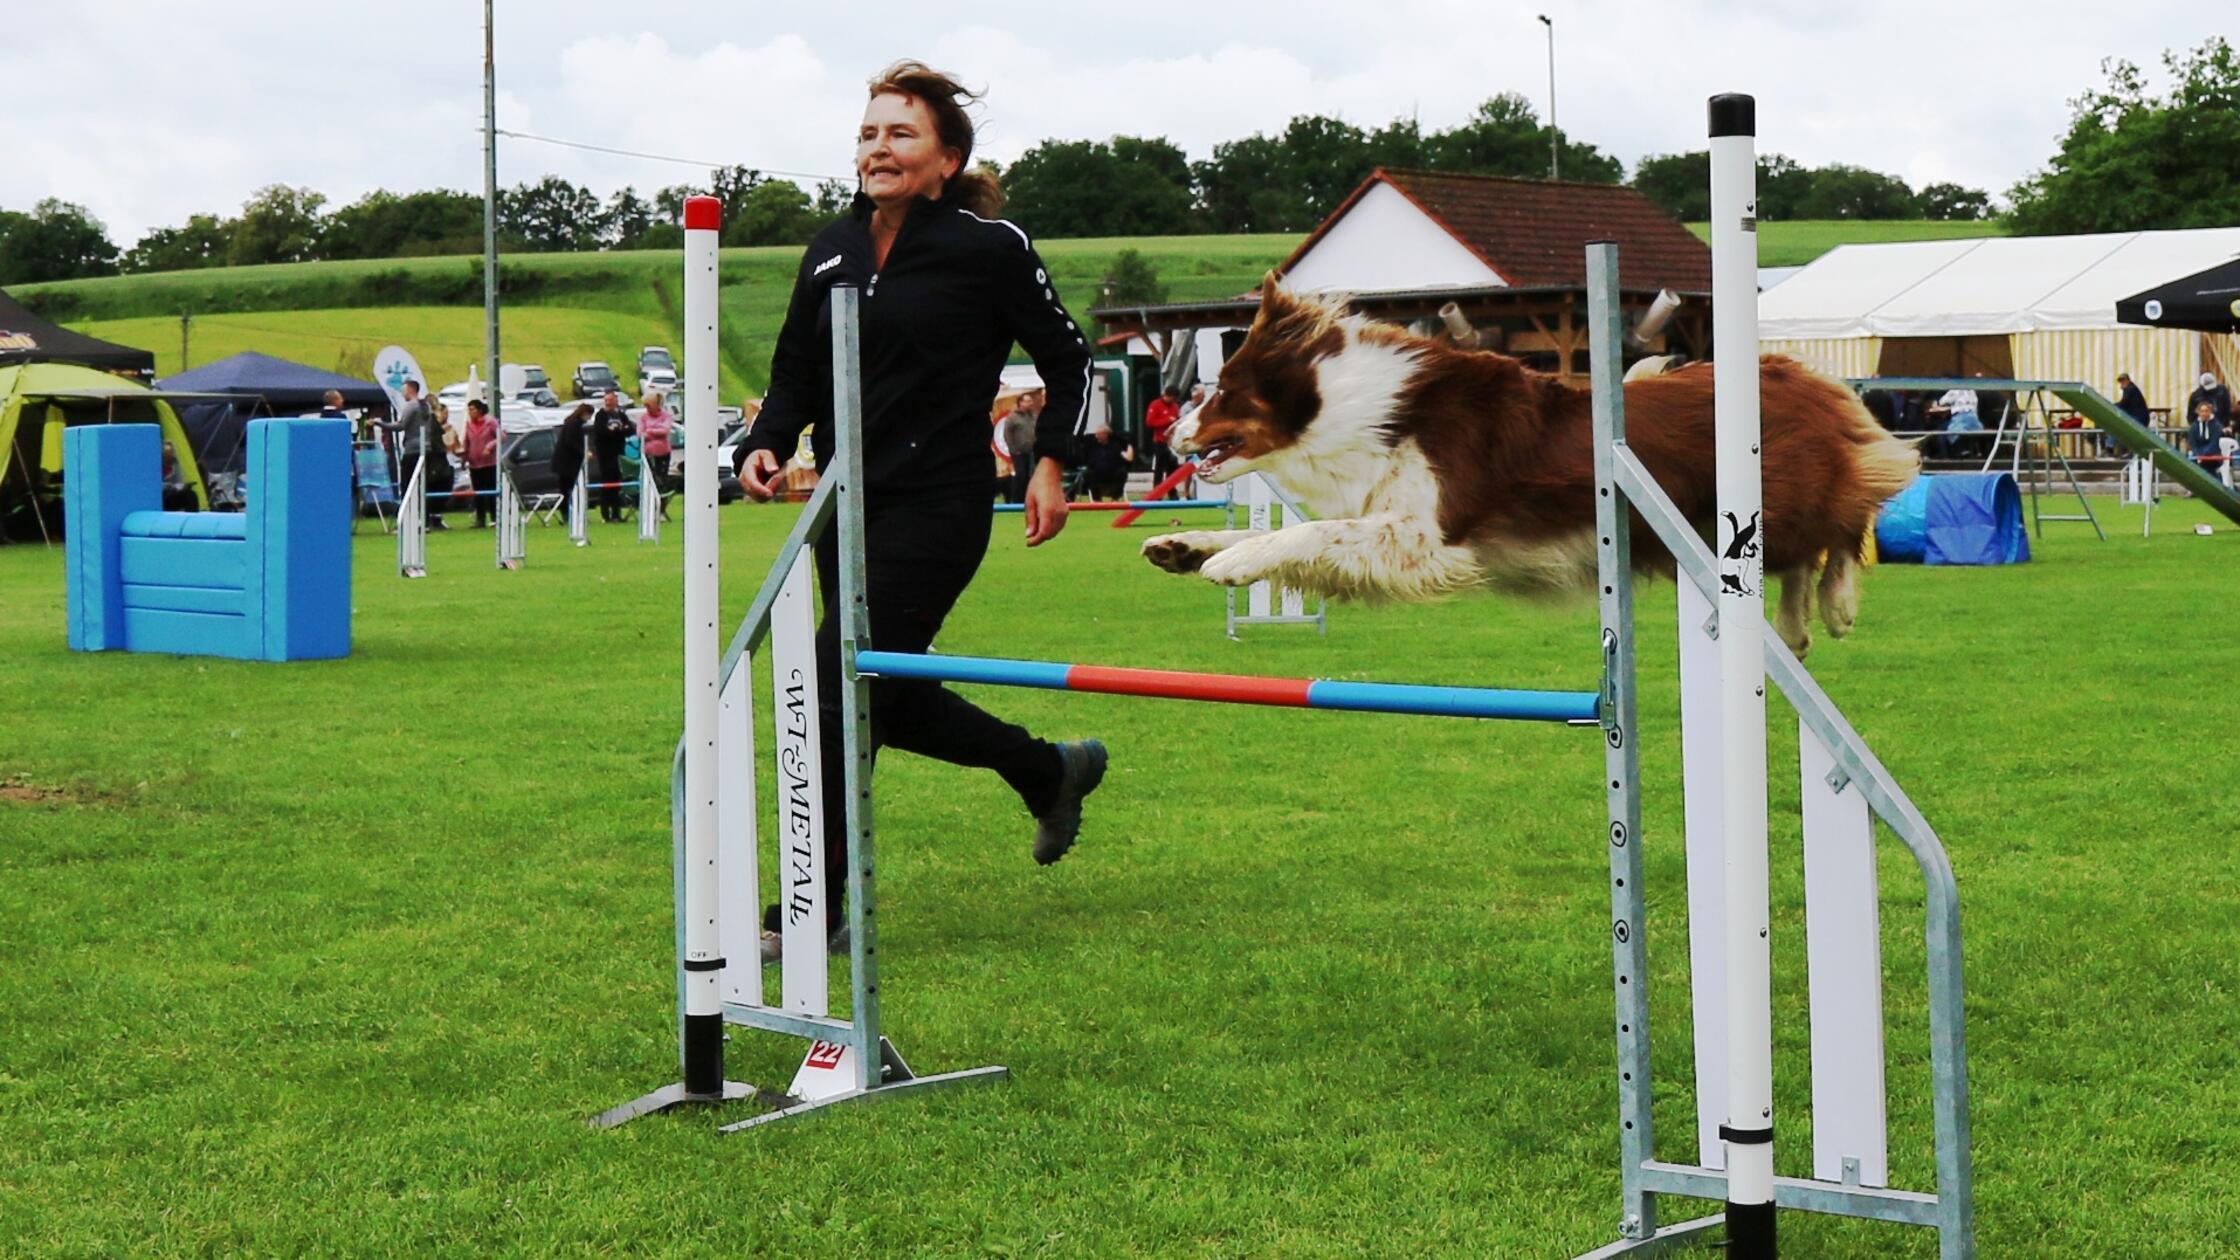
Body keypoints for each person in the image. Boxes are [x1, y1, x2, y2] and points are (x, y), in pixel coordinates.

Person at [730, 59, 1105, 961]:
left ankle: (813, 906)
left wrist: (1051, 461)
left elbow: (1070, 361)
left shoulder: (990, 247)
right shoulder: (828, 249)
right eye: (868, 133)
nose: (878, 148)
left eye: (901, 133)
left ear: (947, 159)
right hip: (841, 505)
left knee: (831, 684)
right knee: (875, 693)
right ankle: (1047, 768)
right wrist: (762, 444)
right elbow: (792, 374)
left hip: (938, 505)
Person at [591, 390, 634, 522]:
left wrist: (617, 431)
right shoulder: (601, 415)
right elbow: (601, 432)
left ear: (616, 401)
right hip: (605, 455)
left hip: (619, 454)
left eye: (611, 400)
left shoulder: (620, 414)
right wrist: (618, 431)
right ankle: (606, 514)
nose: (608, 403)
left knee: (617, 485)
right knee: (607, 484)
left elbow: (630, 429)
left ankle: (616, 514)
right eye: (606, 400)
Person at [637, 391, 675, 519]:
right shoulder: (643, 417)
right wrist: (655, 433)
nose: (647, 408)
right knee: (650, 480)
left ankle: (661, 510)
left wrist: (650, 431)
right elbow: (640, 433)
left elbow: (665, 430)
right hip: (648, 454)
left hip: (663, 453)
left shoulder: (666, 416)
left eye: (649, 405)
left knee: (662, 481)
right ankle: (649, 509)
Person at [462, 398, 500, 527]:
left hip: (489, 464)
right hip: (474, 464)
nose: (470, 412)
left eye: (472, 409)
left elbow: (502, 436)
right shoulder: (469, 425)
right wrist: (464, 458)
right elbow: (467, 442)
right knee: (478, 492)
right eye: (469, 410)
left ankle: (495, 517)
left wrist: (489, 446)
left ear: (479, 410)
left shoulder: (491, 422)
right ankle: (480, 518)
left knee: (491, 491)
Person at [553, 402, 591, 524]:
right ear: (585, 413)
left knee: (567, 490)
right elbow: (571, 443)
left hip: (565, 463)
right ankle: (568, 515)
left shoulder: (572, 423)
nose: (589, 419)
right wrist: (584, 452)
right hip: (567, 464)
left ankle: (571, 514)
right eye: (589, 415)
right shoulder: (574, 424)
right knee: (568, 490)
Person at [1000, 389, 1039, 504]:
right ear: (1020, 403)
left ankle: (1027, 500)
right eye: (1027, 401)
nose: (1030, 403)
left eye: (1030, 401)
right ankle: (1016, 500)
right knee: (1020, 475)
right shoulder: (1012, 418)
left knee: (1029, 476)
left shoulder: (1033, 417)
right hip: (1018, 452)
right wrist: (1013, 449)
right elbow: (1007, 434)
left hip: (1031, 451)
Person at [1925, 384, 1981, 460]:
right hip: (1975, 420)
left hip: (1961, 418)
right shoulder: (1972, 391)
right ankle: (1970, 450)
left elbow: (1942, 401)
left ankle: (1948, 455)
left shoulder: (1954, 390)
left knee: (1948, 432)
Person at [1081, 424, 1134, 501]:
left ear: (1105, 435)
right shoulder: (1092, 445)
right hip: (1096, 474)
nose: (1096, 436)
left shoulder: (1116, 445)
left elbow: (1128, 457)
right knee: (1087, 473)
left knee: (1122, 472)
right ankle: (1097, 500)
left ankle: (1115, 499)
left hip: (1113, 474)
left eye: (1098, 434)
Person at [1144, 385, 1182, 481]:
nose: (1174, 401)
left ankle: (1172, 491)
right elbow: (1150, 422)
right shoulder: (1155, 405)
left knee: (1172, 466)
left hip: (1172, 442)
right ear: (1169, 396)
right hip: (1160, 441)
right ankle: (1157, 491)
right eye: (1173, 398)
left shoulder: (1175, 407)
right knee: (1159, 467)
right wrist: (1167, 420)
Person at [2113, 372, 2152, 454]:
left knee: (2120, 427)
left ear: (2128, 380)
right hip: (2138, 416)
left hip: (2139, 418)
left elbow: (2124, 403)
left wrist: (2113, 405)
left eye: (2123, 381)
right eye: (2121, 381)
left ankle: (2113, 448)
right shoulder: (2130, 389)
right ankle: (2125, 450)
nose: (2122, 383)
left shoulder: (2130, 389)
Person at [2186, 399, 2224, 474]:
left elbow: (2214, 443)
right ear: (2198, 412)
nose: (2204, 413)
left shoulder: (2216, 426)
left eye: (2206, 411)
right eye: (2202, 411)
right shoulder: (2194, 426)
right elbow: (2193, 443)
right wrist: (2198, 454)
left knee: (2208, 465)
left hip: (2213, 455)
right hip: (2198, 455)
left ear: (2210, 411)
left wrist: (2203, 455)